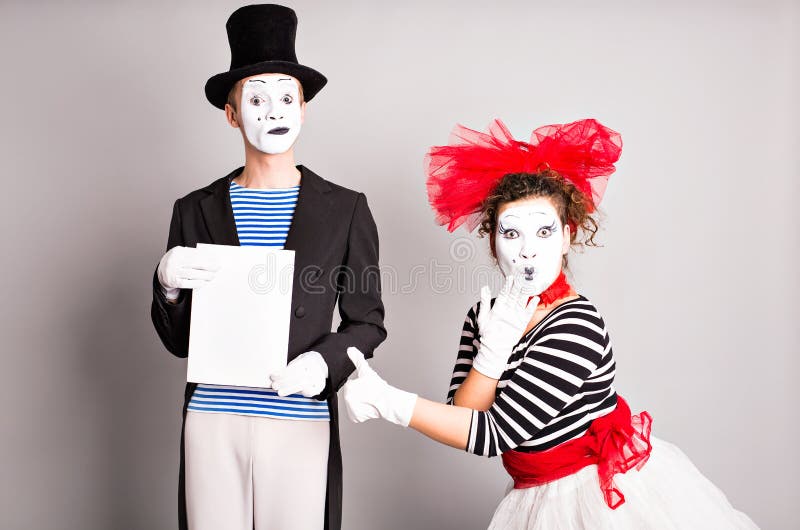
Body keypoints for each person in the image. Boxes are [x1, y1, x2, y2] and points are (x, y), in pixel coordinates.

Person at [342, 118, 758, 529]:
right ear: (492, 242)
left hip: (592, 497)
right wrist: (491, 355)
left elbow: (492, 435)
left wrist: (390, 401)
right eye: (511, 234)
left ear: (566, 237)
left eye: (544, 232)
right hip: (531, 492)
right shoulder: (483, 316)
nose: (528, 251)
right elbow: (462, 414)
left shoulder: (577, 324)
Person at [149, 5, 385, 530]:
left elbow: (368, 322)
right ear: (232, 115)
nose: (273, 111)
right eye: (256, 99)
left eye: (286, 97)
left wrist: (322, 362)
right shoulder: (193, 209)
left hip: (298, 418)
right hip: (212, 419)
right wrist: (167, 286)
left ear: (304, 108)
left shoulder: (346, 209)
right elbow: (180, 342)